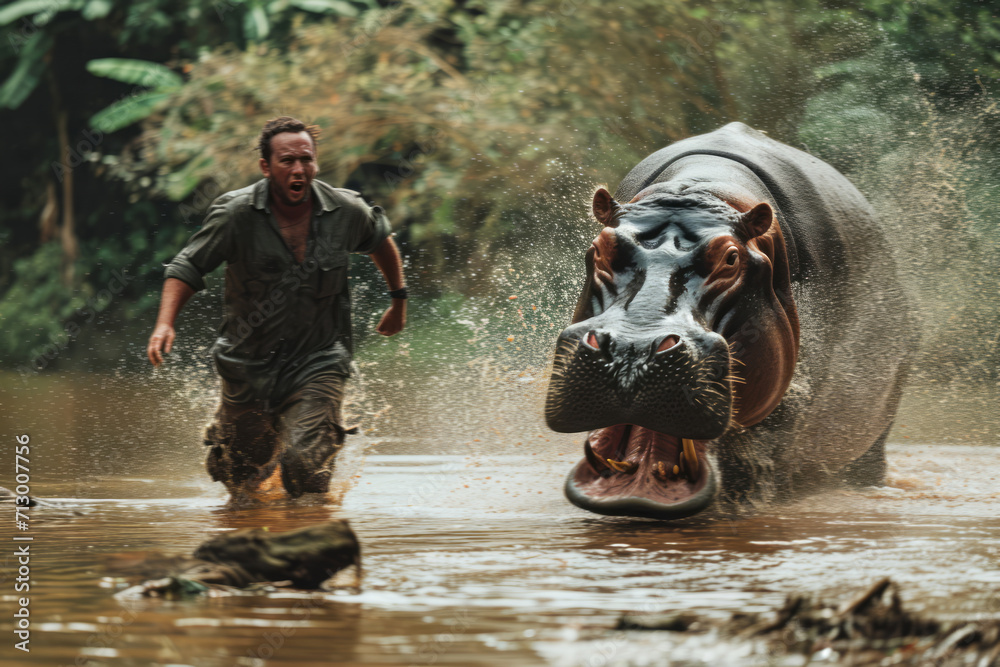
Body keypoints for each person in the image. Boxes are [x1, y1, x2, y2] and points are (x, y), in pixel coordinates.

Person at [146, 116, 406, 500]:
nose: (299, 169)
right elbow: (187, 266)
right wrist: (164, 324)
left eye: (306, 159)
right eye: (287, 161)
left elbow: (379, 239)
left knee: (306, 466)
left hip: (319, 359)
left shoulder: (345, 210)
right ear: (266, 167)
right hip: (248, 365)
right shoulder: (236, 215)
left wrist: (398, 300)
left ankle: (310, 539)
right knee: (241, 478)